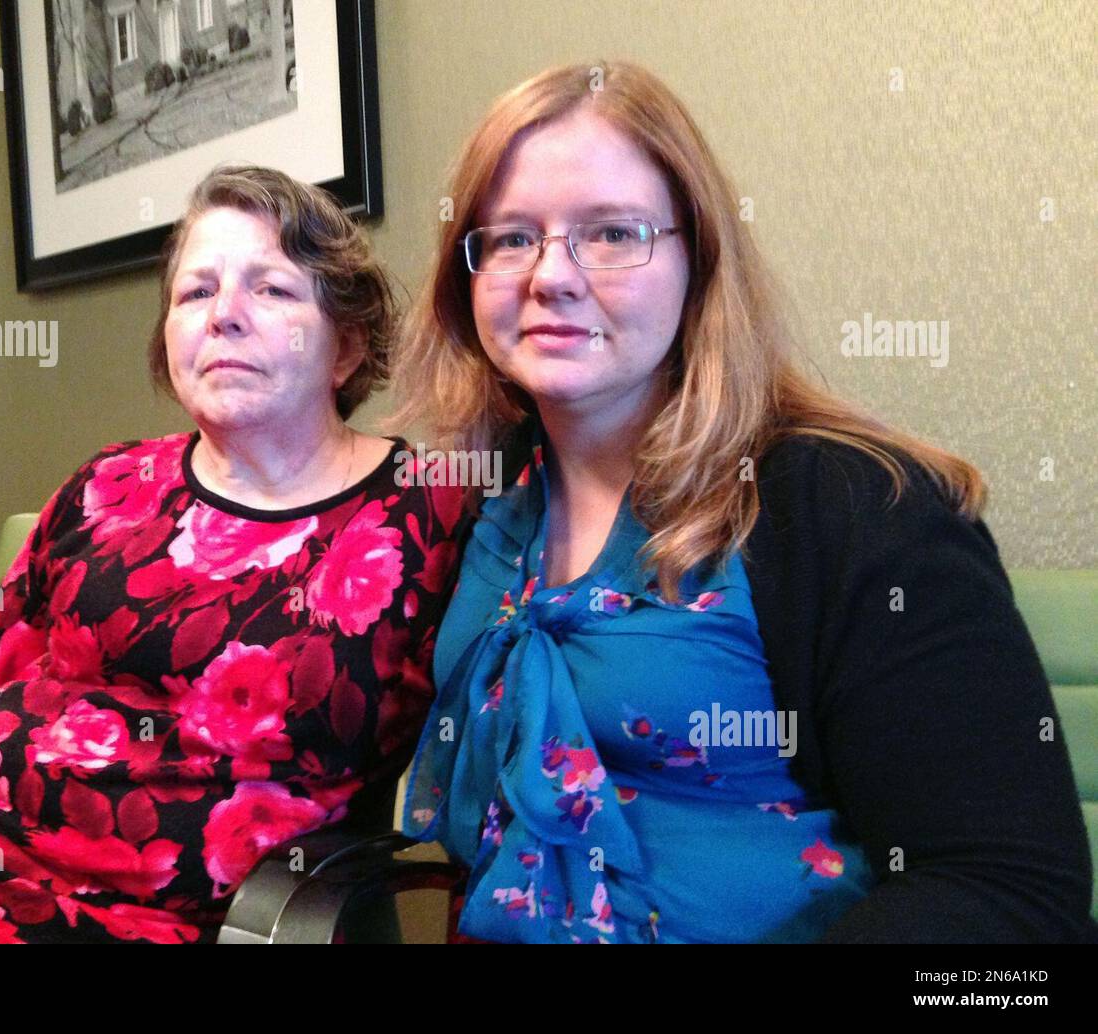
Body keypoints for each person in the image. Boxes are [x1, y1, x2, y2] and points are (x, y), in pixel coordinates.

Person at [389, 61, 1095, 943]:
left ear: (700, 257)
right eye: (509, 238)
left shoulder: (859, 505)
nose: (552, 275)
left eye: (611, 232)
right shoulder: (488, 509)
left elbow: (1014, 900)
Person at [0, 164, 464, 943]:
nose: (225, 316)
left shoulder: (429, 510)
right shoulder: (109, 482)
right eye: (195, 292)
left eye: (273, 289)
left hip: (128, 925)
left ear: (346, 347)